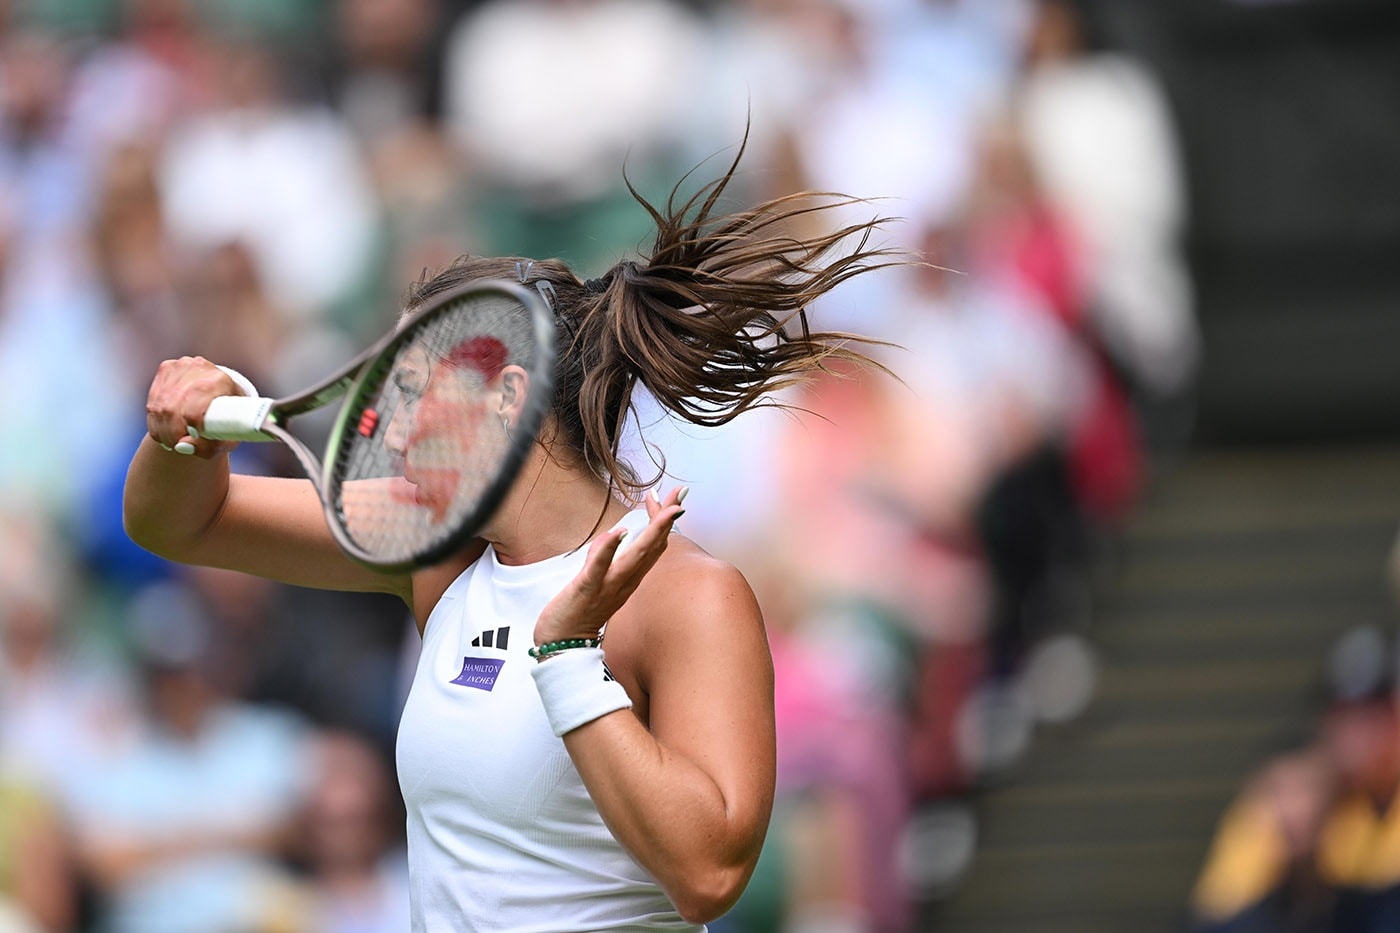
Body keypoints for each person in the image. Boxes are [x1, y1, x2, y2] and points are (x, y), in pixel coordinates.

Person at [123, 146, 901, 930]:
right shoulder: (436, 550)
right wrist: (180, 436)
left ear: (507, 394)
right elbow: (178, 520)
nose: (388, 431)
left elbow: (710, 872)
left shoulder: (686, 593)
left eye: (413, 391)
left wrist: (567, 659)